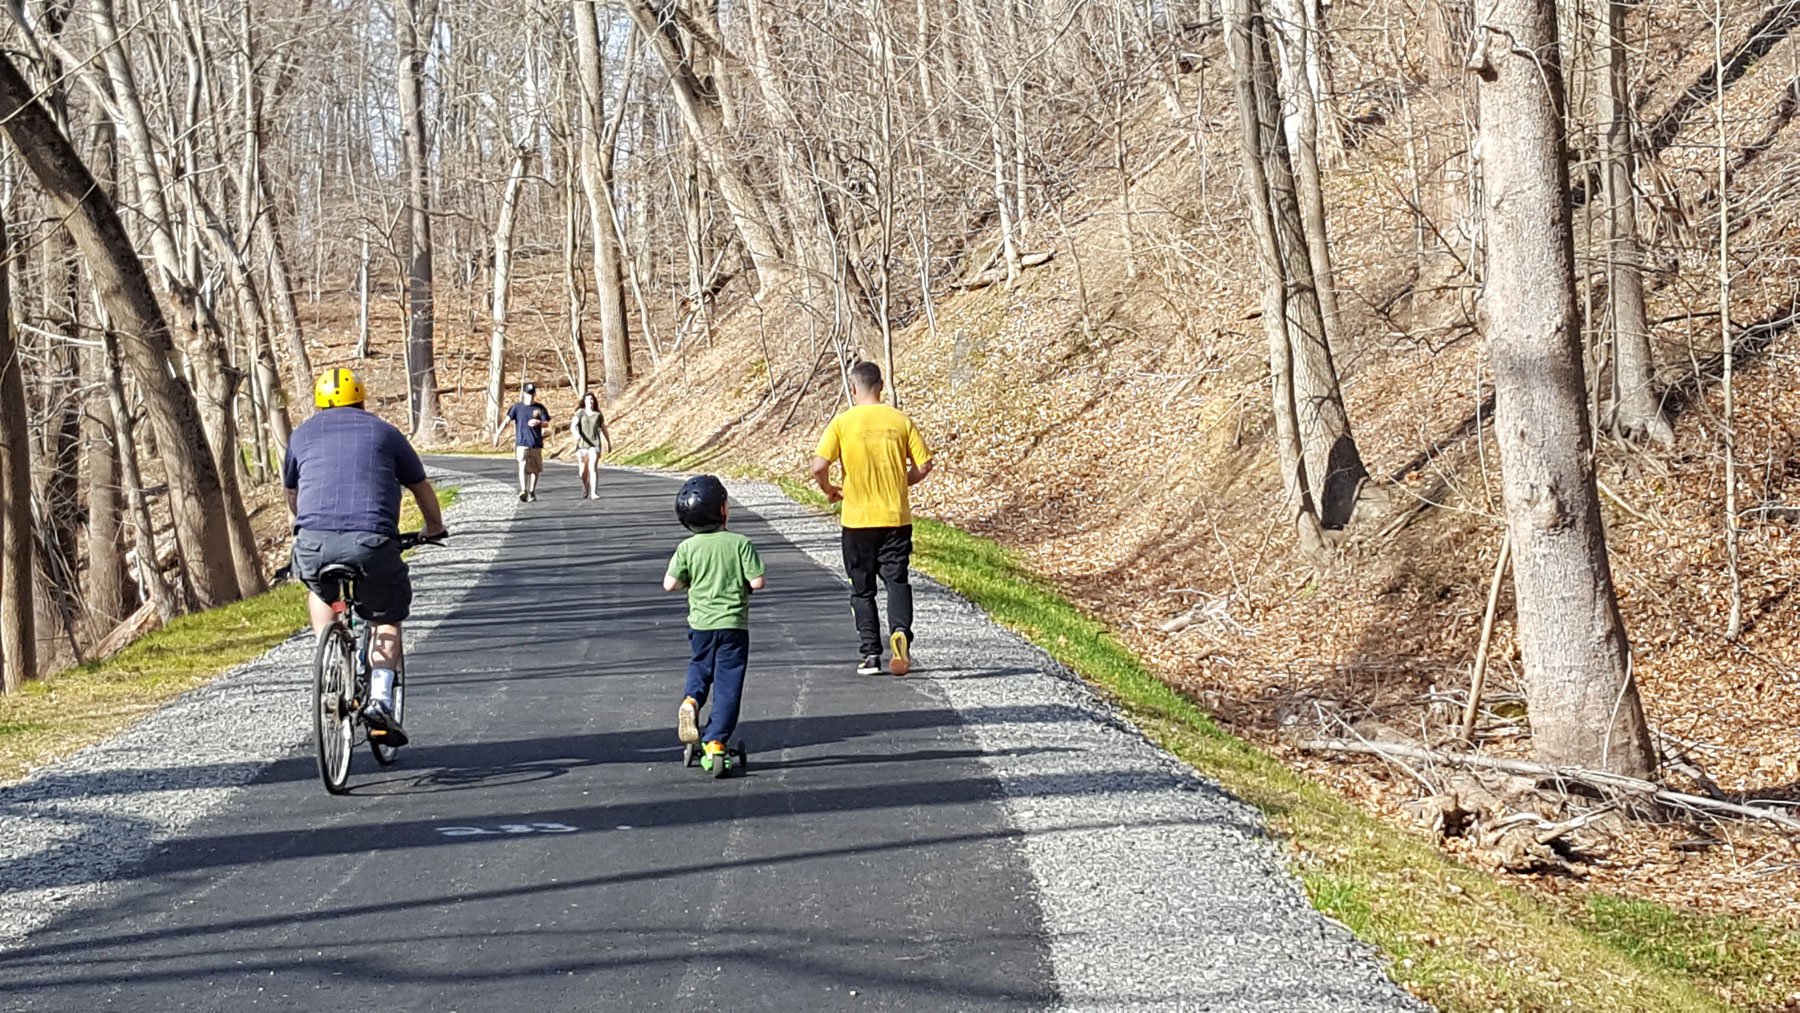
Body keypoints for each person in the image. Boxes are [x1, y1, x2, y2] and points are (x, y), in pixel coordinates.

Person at [285, 367, 448, 746]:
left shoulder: (301, 435)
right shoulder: (384, 432)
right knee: (386, 616)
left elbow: (293, 495)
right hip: (371, 543)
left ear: (319, 402)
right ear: (361, 400)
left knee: (320, 589)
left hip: (313, 542)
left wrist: (304, 530)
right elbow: (419, 486)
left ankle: (328, 660)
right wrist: (433, 527)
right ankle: (379, 699)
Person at [810, 361, 934, 676]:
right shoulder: (900, 420)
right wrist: (900, 480)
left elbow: (818, 466)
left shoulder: (842, 423)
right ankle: (900, 633)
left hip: (857, 520)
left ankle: (870, 655)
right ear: (881, 387)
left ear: (853, 389)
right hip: (895, 517)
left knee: (862, 588)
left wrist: (829, 489)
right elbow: (924, 465)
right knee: (896, 579)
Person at [664, 475, 766, 776]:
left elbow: (669, 584)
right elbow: (757, 582)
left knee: (700, 665)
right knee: (727, 685)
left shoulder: (687, 548)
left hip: (701, 625)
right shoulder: (740, 543)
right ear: (723, 511)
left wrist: (690, 581)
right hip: (734, 626)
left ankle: (692, 700)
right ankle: (715, 743)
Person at [493, 381, 551, 502]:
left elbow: (547, 423)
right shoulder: (517, 408)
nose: (530, 396)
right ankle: (523, 490)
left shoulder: (539, 408)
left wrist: (539, 423)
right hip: (522, 442)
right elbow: (507, 421)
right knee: (522, 464)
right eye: (528, 393)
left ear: (535, 394)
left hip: (535, 443)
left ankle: (532, 491)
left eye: (532, 394)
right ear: (524, 394)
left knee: (535, 469)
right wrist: (498, 434)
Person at [571, 392, 612, 500]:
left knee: (592, 467)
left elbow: (604, 429)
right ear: (584, 401)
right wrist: (576, 433)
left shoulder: (598, 415)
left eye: (592, 399)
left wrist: (608, 442)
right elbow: (573, 424)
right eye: (588, 399)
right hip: (582, 446)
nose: (590, 401)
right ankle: (586, 486)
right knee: (582, 472)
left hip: (594, 444)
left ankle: (594, 492)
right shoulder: (580, 413)